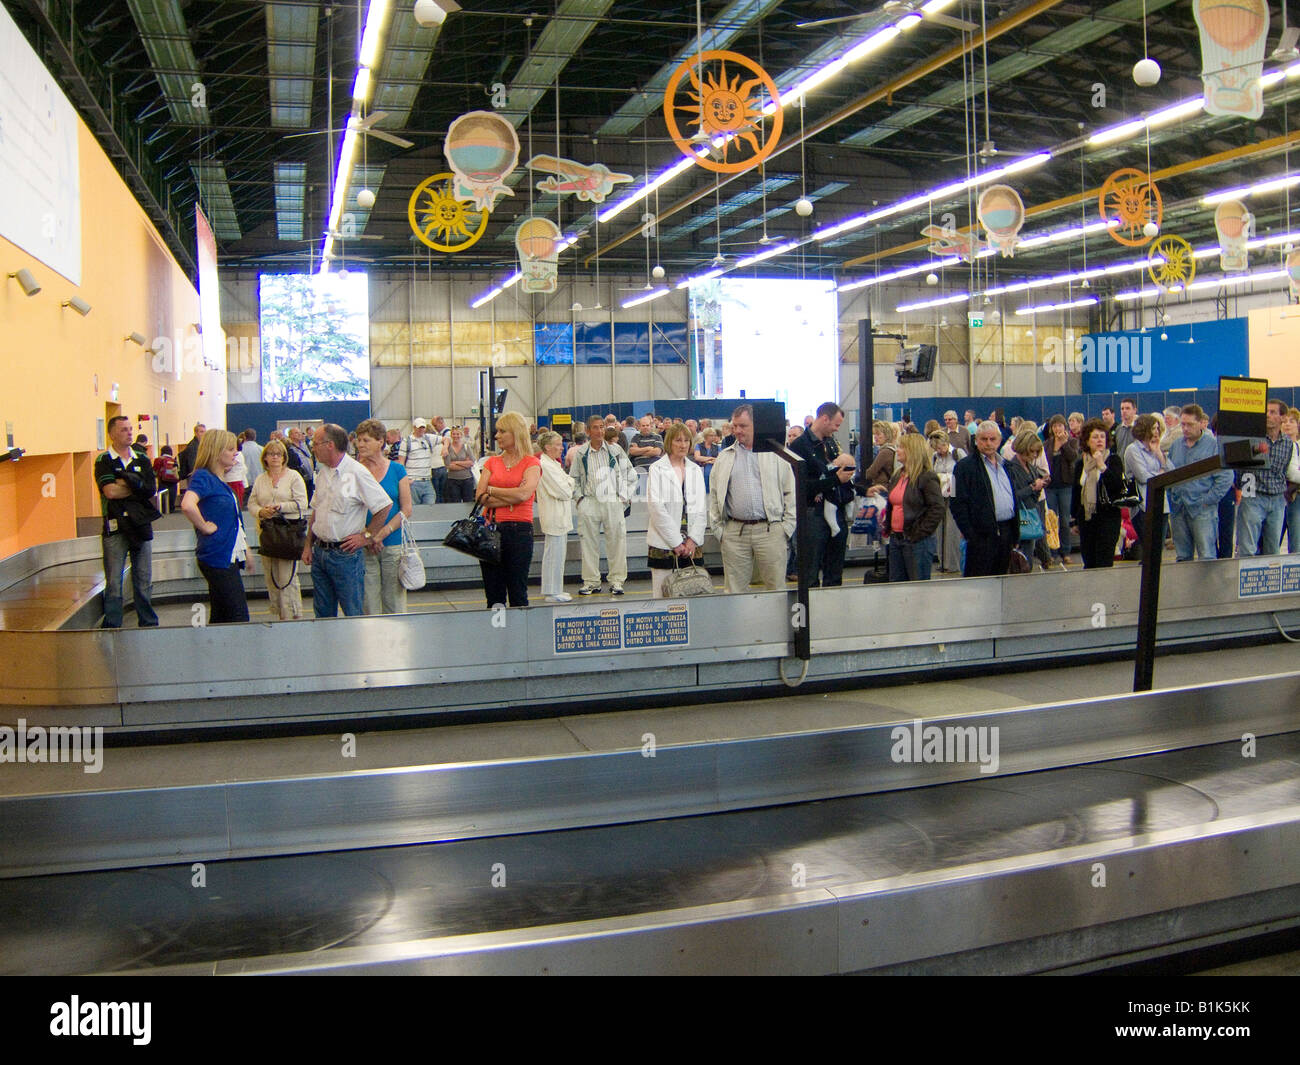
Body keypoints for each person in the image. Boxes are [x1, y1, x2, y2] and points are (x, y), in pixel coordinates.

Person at [302, 423, 393, 617]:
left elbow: (384, 505)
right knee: (323, 613)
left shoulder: (356, 473)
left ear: (330, 445)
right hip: (320, 553)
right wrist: (308, 545)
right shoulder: (323, 472)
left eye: (315, 443)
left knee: (353, 613)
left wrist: (367, 536)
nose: (313, 448)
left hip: (344, 555)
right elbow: (316, 511)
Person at [707, 403, 797, 593]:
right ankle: (736, 623)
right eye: (735, 426)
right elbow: (714, 496)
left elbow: (791, 492)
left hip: (770, 531)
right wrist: (720, 530)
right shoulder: (724, 457)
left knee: (776, 588)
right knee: (734, 591)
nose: (737, 430)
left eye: (743, 426)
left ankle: (776, 623)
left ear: (756, 425)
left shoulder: (777, 455)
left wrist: (786, 528)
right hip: (734, 533)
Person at [95, 415, 161, 628]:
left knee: (143, 578)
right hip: (115, 529)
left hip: (140, 524)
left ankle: (148, 620)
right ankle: (113, 623)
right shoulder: (103, 460)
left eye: (130, 429)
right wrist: (137, 487)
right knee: (114, 580)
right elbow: (110, 492)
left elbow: (151, 489)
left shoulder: (142, 458)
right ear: (112, 433)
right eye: (123, 429)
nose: (129, 433)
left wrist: (130, 484)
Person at [180, 429, 250, 623]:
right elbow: (187, 504)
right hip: (218, 557)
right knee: (237, 616)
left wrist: (246, 550)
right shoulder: (204, 477)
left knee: (222, 614)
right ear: (216, 452)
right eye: (229, 449)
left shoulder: (219, 480)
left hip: (228, 555)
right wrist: (203, 526)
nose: (235, 452)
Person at [475, 411, 542, 608]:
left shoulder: (532, 463)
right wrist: (513, 496)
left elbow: (524, 494)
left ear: (515, 433)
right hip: (490, 529)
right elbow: (480, 497)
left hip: (519, 531)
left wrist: (493, 490)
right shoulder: (491, 462)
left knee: (517, 592)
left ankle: (519, 636)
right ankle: (497, 636)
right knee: (494, 595)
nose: (497, 436)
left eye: (502, 431)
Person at [791, 401, 855, 587]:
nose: (837, 429)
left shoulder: (832, 444)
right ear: (825, 419)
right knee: (810, 571)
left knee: (835, 569)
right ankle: (811, 611)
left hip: (836, 510)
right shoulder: (800, 446)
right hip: (813, 514)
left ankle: (832, 608)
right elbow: (800, 486)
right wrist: (835, 480)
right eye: (836, 424)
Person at [571, 415, 637, 596]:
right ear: (587, 431)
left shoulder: (615, 450)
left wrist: (623, 496)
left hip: (612, 500)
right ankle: (591, 581)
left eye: (601, 427)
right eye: (595, 427)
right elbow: (573, 479)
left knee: (617, 541)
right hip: (589, 501)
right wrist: (579, 499)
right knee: (588, 543)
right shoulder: (581, 453)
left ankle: (616, 581)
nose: (599, 431)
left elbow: (631, 474)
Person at [356, 419, 413, 615]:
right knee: (369, 604)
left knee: (394, 603)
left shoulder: (397, 470)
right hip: (364, 545)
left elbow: (406, 509)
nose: (360, 444)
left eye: (366, 440)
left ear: (381, 441)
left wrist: (382, 533)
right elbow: (351, 509)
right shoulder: (355, 471)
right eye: (359, 440)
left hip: (393, 543)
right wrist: (369, 536)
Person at [248, 438, 308, 620]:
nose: (275, 457)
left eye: (278, 454)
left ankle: (291, 614)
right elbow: (252, 503)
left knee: (286, 578)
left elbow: (302, 503)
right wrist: (261, 512)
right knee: (272, 577)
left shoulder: (293, 477)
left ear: (284, 457)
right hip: (267, 534)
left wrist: (280, 507)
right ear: (264, 458)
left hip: (287, 534)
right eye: (271, 454)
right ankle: (280, 614)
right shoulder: (260, 479)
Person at [950, 421, 1019, 578]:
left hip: (1006, 533)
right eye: (984, 439)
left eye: (992, 439)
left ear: (999, 440)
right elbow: (956, 503)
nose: (988, 443)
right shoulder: (962, 467)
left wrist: (1015, 534)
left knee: (1001, 583)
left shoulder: (1007, 466)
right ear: (976, 440)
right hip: (981, 538)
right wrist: (970, 535)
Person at [647, 423, 707, 597]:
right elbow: (656, 508)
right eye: (678, 440)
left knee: (693, 597)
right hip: (663, 544)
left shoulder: (695, 469)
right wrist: (676, 542)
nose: (683, 445)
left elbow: (701, 509)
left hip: (691, 546)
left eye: (687, 440)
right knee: (662, 597)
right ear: (669, 443)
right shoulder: (657, 469)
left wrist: (692, 540)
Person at [1234, 398, 1300, 557]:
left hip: (1277, 499)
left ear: (1282, 417)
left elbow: (1288, 472)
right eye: (1266, 412)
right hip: (1254, 496)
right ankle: (1245, 579)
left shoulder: (1288, 444)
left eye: (1272, 412)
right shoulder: (1253, 438)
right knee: (1247, 548)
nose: (1268, 416)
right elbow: (1236, 463)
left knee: (1272, 549)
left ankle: (1270, 580)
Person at [1167, 404, 1233, 562]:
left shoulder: (1213, 446)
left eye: (1190, 424)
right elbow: (1168, 473)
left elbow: (1226, 478)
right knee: (1182, 556)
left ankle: (1208, 587)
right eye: (1182, 424)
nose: (1185, 428)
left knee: (1206, 555)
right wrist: (1172, 496)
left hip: (1202, 510)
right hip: (1178, 508)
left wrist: (1206, 501)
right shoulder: (1176, 446)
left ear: (1201, 423)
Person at [885, 433, 944, 582]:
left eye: (901, 447)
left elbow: (937, 508)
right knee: (897, 587)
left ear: (912, 450)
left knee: (917, 589)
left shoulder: (926, 477)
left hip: (917, 542)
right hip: (896, 539)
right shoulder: (898, 475)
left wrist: (918, 534)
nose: (897, 450)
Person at [1071, 418, 1126, 569]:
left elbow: (1117, 486)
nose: (1099, 440)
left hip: (1108, 517)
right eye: (1095, 437)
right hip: (1087, 519)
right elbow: (1076, 492)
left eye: (1102, 436)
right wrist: (1074, 519)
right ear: (1087, 441)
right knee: (1089, 561)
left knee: (1104, 561)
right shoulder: (1081, 463)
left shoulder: (1113, 460)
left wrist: (1102, 466)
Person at [536, 430, 576, 603]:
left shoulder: (554, 464)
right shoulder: (544, 465)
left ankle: (555, 588)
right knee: (554, 554)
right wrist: (569, 484)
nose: (561, 448)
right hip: (553, 515)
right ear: (547, 447)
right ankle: (551, 591)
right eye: (558, 445)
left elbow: (569, 484)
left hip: (560, 515)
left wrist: (569, 484)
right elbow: (564, 491)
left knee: (558, 554)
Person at [1124, 413, 1173, 548]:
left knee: (1158, 548)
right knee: (1149, 548)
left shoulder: (1156, 450)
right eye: (1153, 428)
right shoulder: (1132, 450)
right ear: (1143, 429)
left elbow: (1172, 472)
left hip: (1162, 505)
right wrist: (1161, 473)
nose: (1157, 432)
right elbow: (1143, 476)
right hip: (1143, 506)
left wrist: (1159, 454)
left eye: (1158, 428)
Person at [1007, 428, 1053, 570]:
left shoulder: (1031, 468)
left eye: (1036, 452)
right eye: (1031, 451)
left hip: (1032, 514)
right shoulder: (1011, 468)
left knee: (1028, 556)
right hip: (1018, 517)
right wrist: (1033, 487)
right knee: (1018, 559)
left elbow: (1034, 496)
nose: (1034, 455)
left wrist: (1040, 486)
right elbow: (1013, 496)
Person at [1042, 415, 1078, 567]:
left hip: (1065, 486)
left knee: (1064, 520)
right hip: (1050, 487)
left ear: (1064, 427)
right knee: (1051, 520)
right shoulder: (1047, 443)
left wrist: (1064, 444)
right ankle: (1052, 552)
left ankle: (1066, 552)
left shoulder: (1072, 441)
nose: (1057, 428)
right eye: (1054, 426)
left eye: (1060, 425)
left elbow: (1073, 457)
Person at [928, 430, 965, 573]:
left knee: (952, 530)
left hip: (955, 497)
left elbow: (965, 472)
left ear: (946, 443)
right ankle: (942, 562)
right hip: (940, 496)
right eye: (935, 448)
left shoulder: (958, 454)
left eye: (940, 447)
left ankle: (954, 564)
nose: (939, 450)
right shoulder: (934, 457)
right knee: (940, 530)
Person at [401, 418, 438, 505]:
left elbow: (446, 439)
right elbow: (401, 462)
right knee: (415, 511)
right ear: (414, 428)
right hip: (413, 482)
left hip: (427, 480)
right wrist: (405, 479)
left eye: (423, 427)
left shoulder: (428, 438)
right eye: (419, 427)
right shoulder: (406, 441)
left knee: (430, 506)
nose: (421, 430)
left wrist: (445, 448)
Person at [855, 420, 898, 494]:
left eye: (878, 434)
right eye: (874, 434)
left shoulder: (885, 452)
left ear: (887, 435)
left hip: (882, 489)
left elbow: (871, 473)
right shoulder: (891, 449)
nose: (875, 437)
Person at [628, 415, 664, 497]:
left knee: (655, 497)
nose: (645, 427)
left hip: (655, 474)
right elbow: (632, 451)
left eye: (647, 425)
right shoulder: (635, 438)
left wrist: (639, 451)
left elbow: (657, 452)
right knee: (641, 499)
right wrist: (648, 448)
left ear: (651, 426)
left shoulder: (657, 437)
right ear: (639, 427)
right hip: (639, 474)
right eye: (643, 426)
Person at [443, 425, 477, 503]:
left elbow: (472, 462)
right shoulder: (448, 448)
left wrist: (456, 462)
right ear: (451, 435)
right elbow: (448, 465)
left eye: (458, 434)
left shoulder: (466, 446)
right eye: (454, 434)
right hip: (453, 480)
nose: (456, 436)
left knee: (468, 503)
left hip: (467, 479)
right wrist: (465, 464)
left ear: (461, 435)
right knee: (455, 503)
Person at [287, 428, 315, 501]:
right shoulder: (289, 447)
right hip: (298, 475)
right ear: (290, 435)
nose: (299, 434)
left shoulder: (303, 445)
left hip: (309, 475)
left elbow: (309, 457)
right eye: (296, 433)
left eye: (300, 432)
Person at [153, 444, 180, 512]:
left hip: (163, 480)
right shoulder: (174, 460)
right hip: (173, 481)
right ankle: (171, 508)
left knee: (162, 493)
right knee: (172, 493)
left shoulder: (159, 459)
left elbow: (155, 470)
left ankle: (163, 508)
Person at [239, 429, 263, 504]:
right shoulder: (261, 449)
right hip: (258, 480)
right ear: (255, 437)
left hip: (245, 482)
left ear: (245, 437)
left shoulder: (240, 450)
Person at [694, 427, 721, 491]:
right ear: (706, 436)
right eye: (711, 435)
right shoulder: (698, 445)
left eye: (714, 435)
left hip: (714, 472)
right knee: (702, 491)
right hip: (701, 472)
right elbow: (697, 457)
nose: (713, 437)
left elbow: (720, 460)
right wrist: (711, 458)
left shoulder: (717, 447)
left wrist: (706, 461)